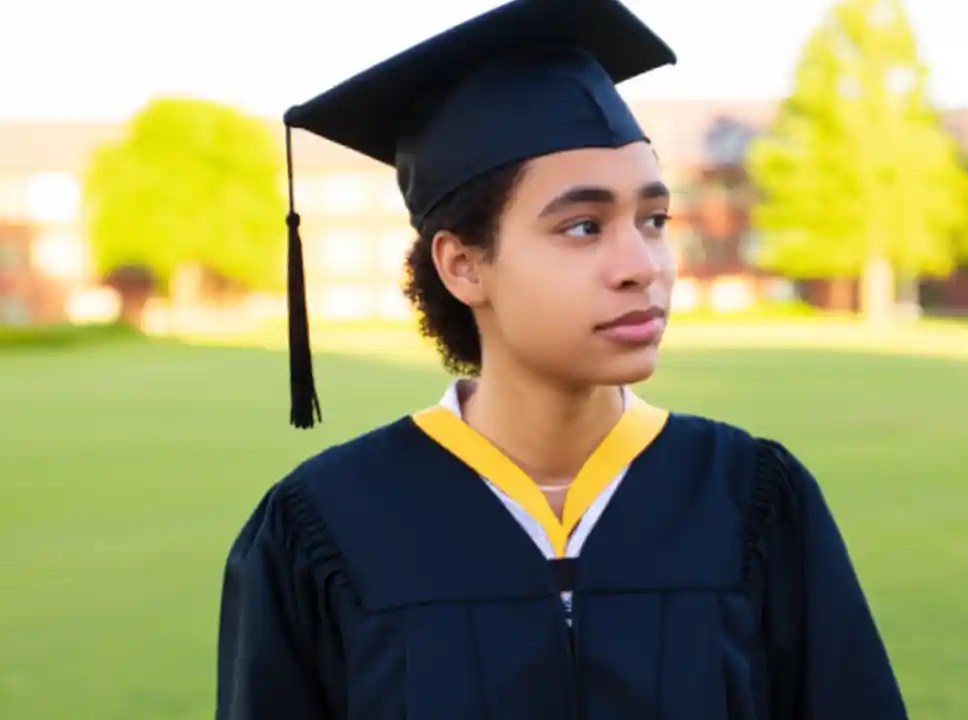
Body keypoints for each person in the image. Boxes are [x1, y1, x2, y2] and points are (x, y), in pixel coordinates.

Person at [215, 0, 908, 717]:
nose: (641, 265)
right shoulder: (328, 527)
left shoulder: (751, 502)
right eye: (582, 227)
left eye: (654, 220)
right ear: (462, 266)